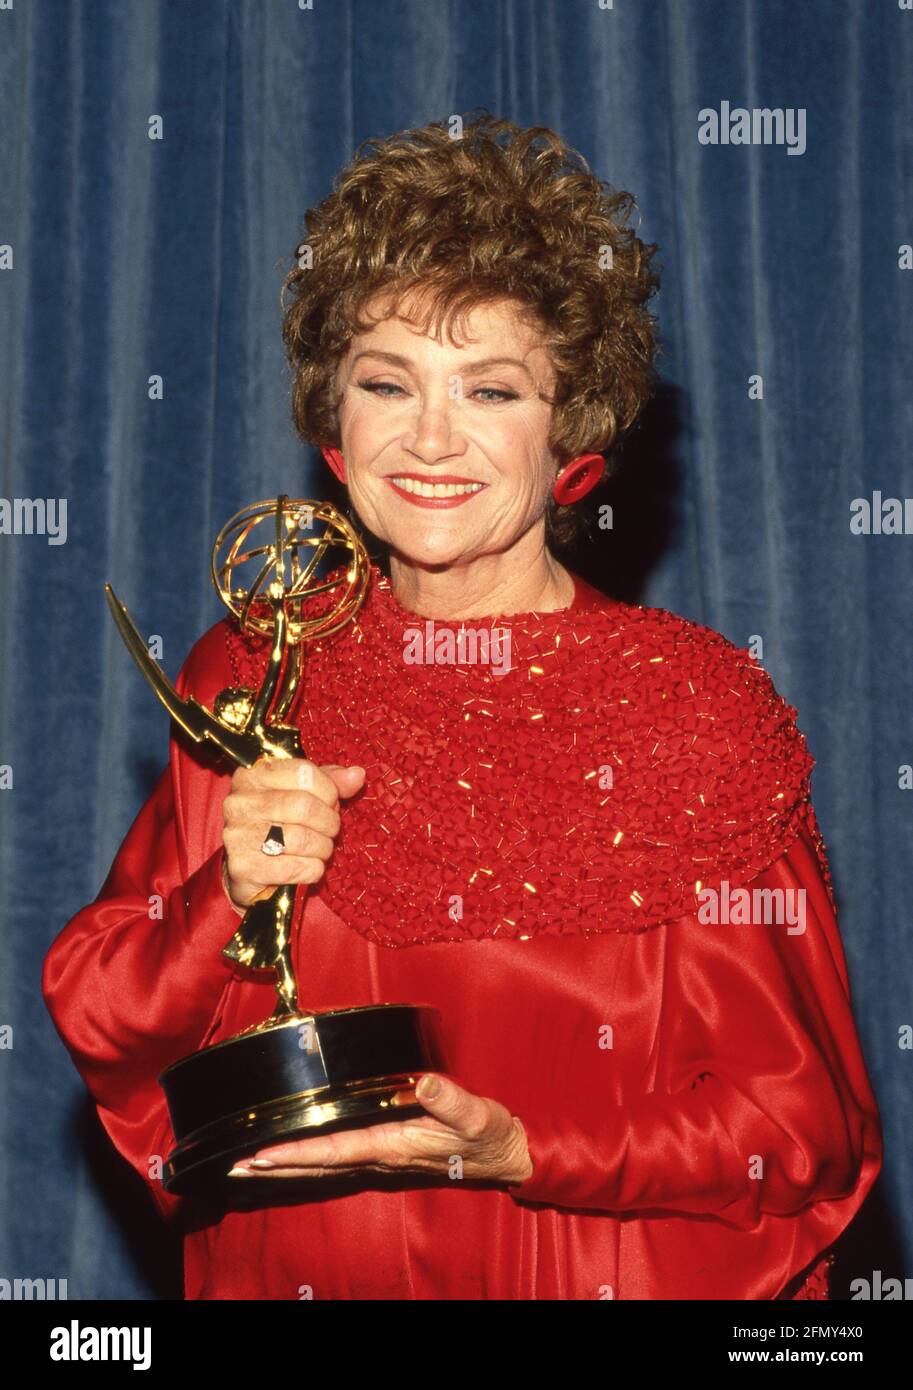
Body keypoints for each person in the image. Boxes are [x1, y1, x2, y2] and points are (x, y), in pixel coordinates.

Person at [43, 114, 882, 1300]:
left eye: (490, 389)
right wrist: (221, 895)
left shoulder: (693, 711)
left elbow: (797, 1130)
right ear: (333, 420)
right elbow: (111, 1021)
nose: (429, 438)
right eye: (387, 382)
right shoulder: (255, 667)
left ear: (571, 430)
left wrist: (525, 1150)